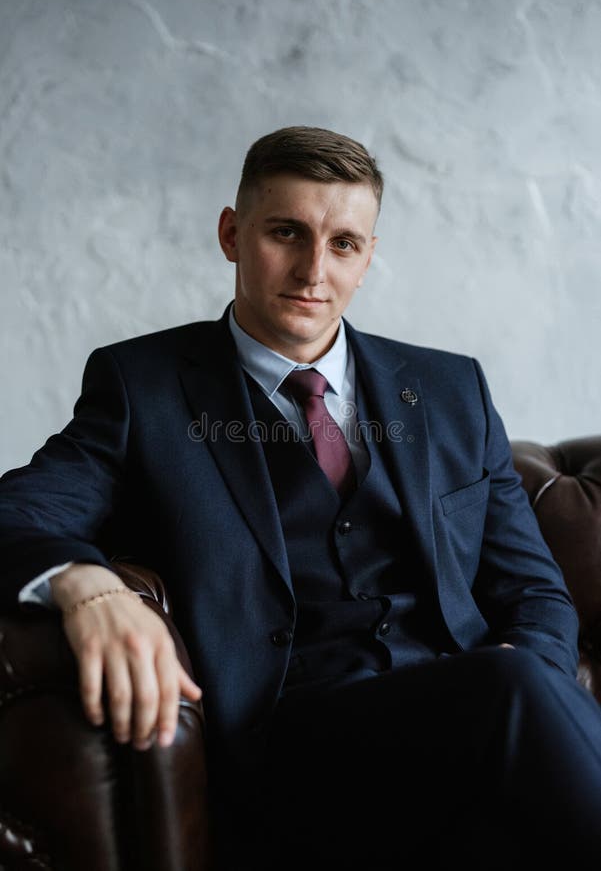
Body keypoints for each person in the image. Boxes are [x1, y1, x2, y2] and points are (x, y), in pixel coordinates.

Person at [1, 125, 601, 870]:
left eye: (343, 244)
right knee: (510, 693)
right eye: (286, 232)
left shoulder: (452, 390)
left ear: (367, 257)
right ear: (232, 234)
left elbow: (534, 590)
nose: (313, 270)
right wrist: (86, 585)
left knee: (515, 705)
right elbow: (20, 510)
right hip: (292, 748)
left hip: (470, 728)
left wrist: (530, 676)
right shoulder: (142, 387)